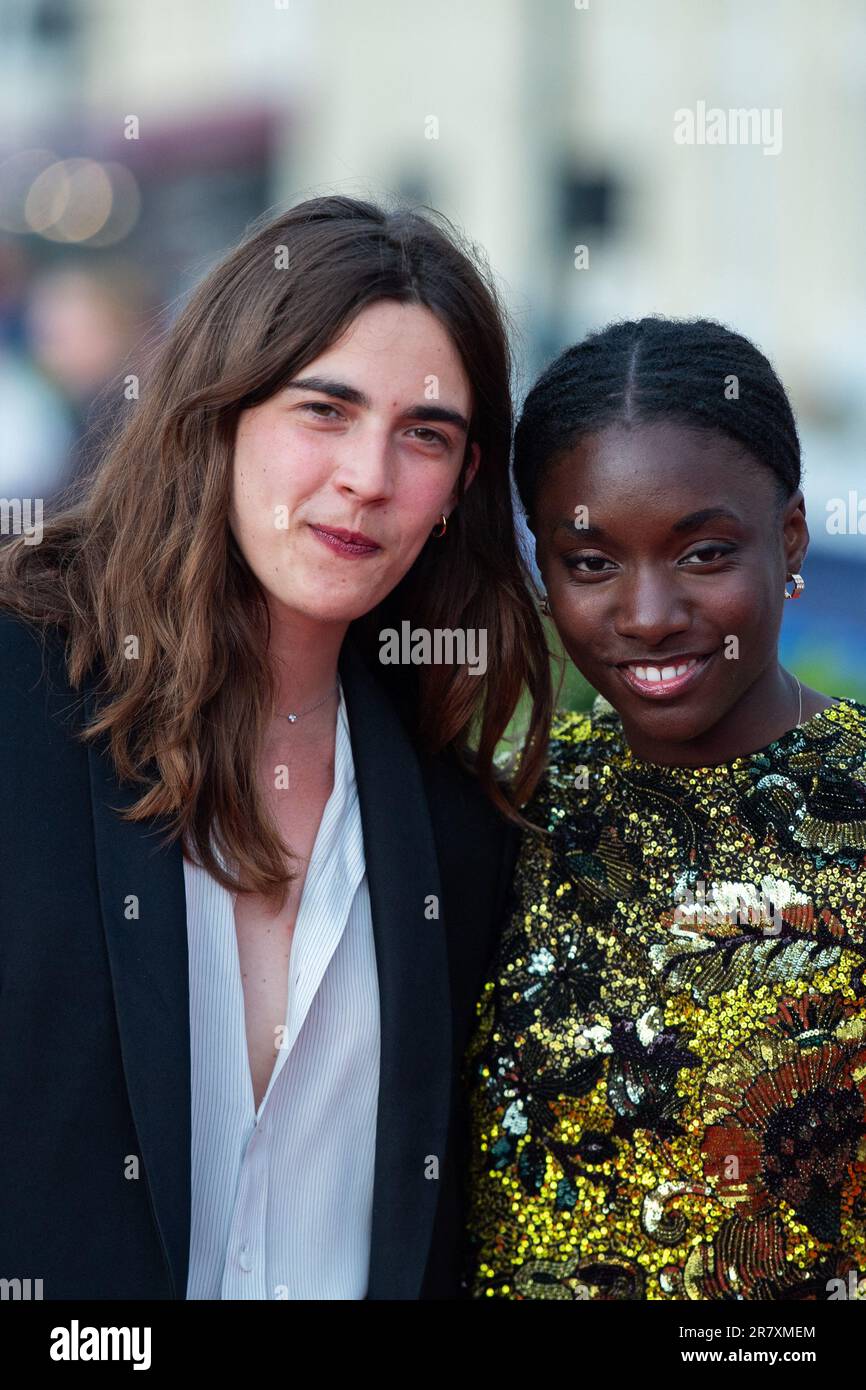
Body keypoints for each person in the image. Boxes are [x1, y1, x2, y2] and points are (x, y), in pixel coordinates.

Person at [0, 194, 552, 1300]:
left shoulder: (456, 820)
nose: (367, 476)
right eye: (324, 409)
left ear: (458, 489)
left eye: (424, 434)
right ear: (219, 411)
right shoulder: (22, 695)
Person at [464, 315, 866, 1300]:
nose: (646, 615)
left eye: (701, 554)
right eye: (591, 563)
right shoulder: (500, 808)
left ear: (788, 538)